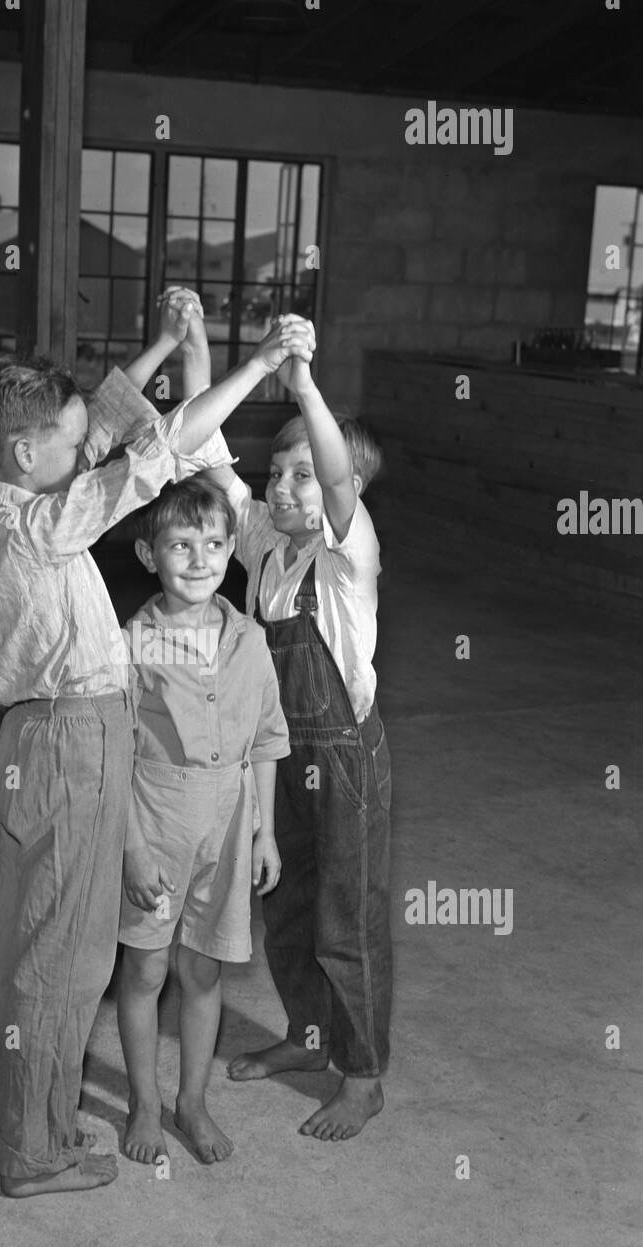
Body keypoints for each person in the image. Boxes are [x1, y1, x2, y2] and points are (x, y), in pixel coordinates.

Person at [0, 299, 313, 1196]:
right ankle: (37, 1152)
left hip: (29, 742)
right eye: (70, 452)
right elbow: (147, 457)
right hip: (74, 740)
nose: (87, 458)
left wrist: (157, 338)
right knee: (67, 961)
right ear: (26, 456)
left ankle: (1, 1117)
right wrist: (257, 365)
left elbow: (105, 428)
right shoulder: (42, 529)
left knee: (13, 941)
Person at [219, 317, 393, 1142]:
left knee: (344, 915)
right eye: (275, 473)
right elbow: (204, 460)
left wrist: (306, 385)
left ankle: (360, 1077)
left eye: (301, 476)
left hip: (345, 757)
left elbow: (333, 480)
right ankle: (306, 1035)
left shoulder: (345, 554)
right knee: (284, 902)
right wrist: (198, 347)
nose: (281, 488)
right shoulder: (264, 553)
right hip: (280, 757)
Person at [116, 474, 290, 1166]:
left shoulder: (247, 637)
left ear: (230, 552)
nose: (198, 559)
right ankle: (144, 1102)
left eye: (213, 544)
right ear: (146, 553)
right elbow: (115, 752)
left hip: (229, 818)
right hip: (155, 818)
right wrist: (130, 849)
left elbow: (269, 738)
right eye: (179, 545)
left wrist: (265, 830)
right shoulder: (132, 642)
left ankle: (191, 1101)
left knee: (204, 971)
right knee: (145, 968)